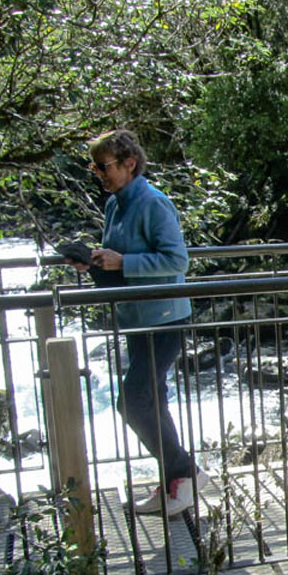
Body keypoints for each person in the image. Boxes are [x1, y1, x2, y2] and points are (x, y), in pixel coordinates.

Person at [68, 129, 203, 515]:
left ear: (130, 163)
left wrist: (122, 262)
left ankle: (185, 471)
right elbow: (120, 259)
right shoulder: (115, 204)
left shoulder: (153, 202)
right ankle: (175, 485)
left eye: (104, 166)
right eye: (94, 167)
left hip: (164, 319)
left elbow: (177, 260)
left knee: (133, 402)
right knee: (153, 401)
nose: (99, 173)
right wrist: (93, 261)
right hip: (137, 318)